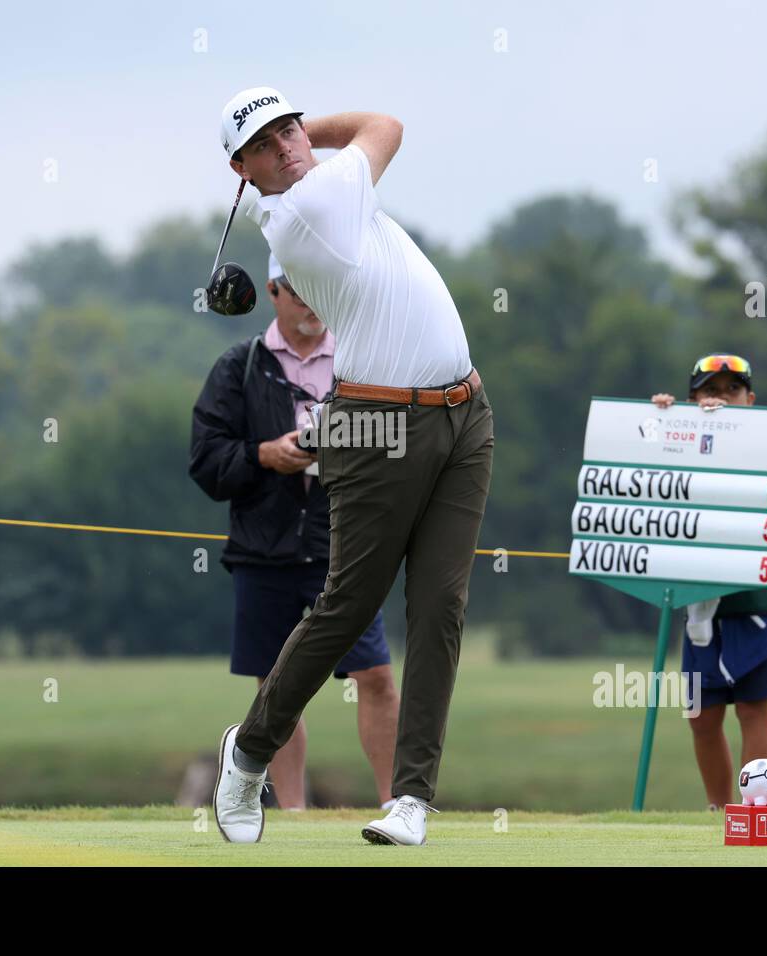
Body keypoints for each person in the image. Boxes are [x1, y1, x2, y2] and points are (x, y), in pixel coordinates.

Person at [211, 86, 494, 845]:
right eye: (267, 144)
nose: (290, 146)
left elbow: (364, 136)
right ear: (245, 169)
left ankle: (411, 800)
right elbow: (387, 122)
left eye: (291, 130)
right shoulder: (310, 208)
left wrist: (298, 128)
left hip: (465, 412)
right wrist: (316, 125)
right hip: (377, 421)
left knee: (440, 607)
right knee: (348, 606)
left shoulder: (324, 187)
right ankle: (249, 753)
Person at [189, 254, 400, 812]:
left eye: (319, 290)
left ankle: (396, 804)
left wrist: (338, 451)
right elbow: (206, 460)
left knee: (375, 674)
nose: (311, 304)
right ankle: (296, 814)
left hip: (345, 544)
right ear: (273, 293)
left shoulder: (362, 359)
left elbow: (396, 440)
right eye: (298, 291)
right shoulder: (239, 366)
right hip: (265, 547)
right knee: (275, 687)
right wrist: (263, 454)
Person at [651, 353, 767, 809]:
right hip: (699, 596)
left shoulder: (765, 441)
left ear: (750, 400)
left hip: (750, 594)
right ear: (693, 399)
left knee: (752, 705)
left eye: (731, 390)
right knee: (701, 716)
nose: (720, 398)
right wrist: (660, 420)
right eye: (710, 390)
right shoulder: (676, 431)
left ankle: (756, 808)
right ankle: (719, 812)